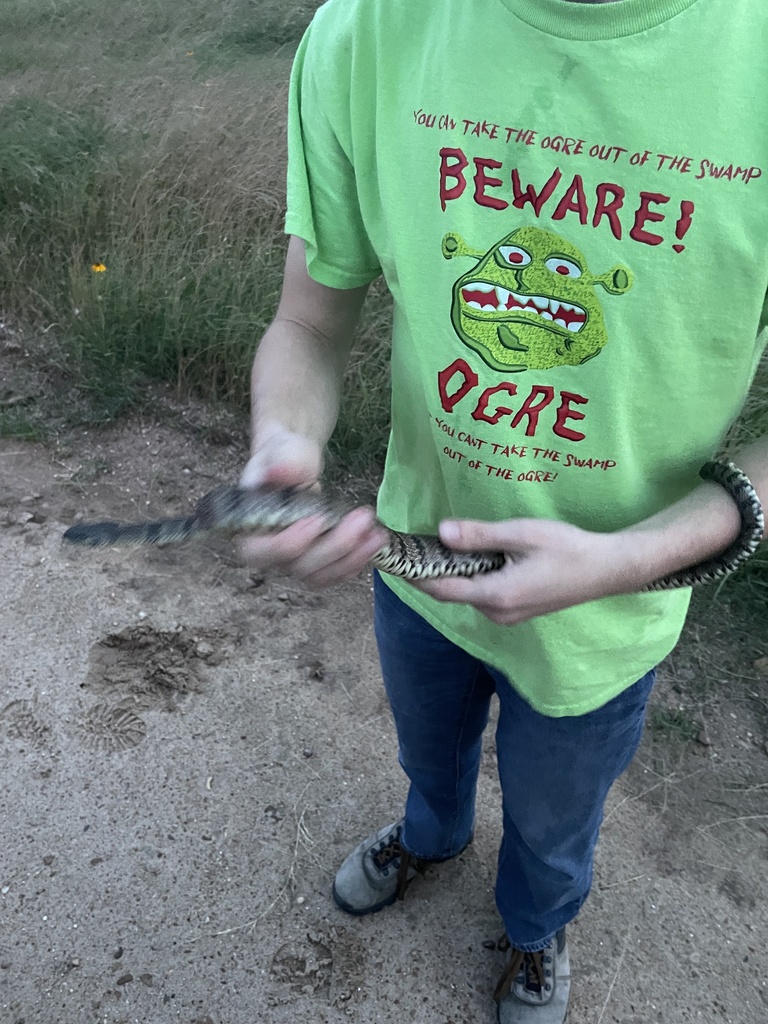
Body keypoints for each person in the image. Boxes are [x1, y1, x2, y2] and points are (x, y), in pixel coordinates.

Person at [238, 1, 768, 1020]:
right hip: (415, 560)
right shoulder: (366, 29)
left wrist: (633, 558)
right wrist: (282, 448)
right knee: (426, 755)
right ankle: (431, 834)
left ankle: (534, 930)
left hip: (612, 616)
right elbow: (308, 314)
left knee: (554, 821)